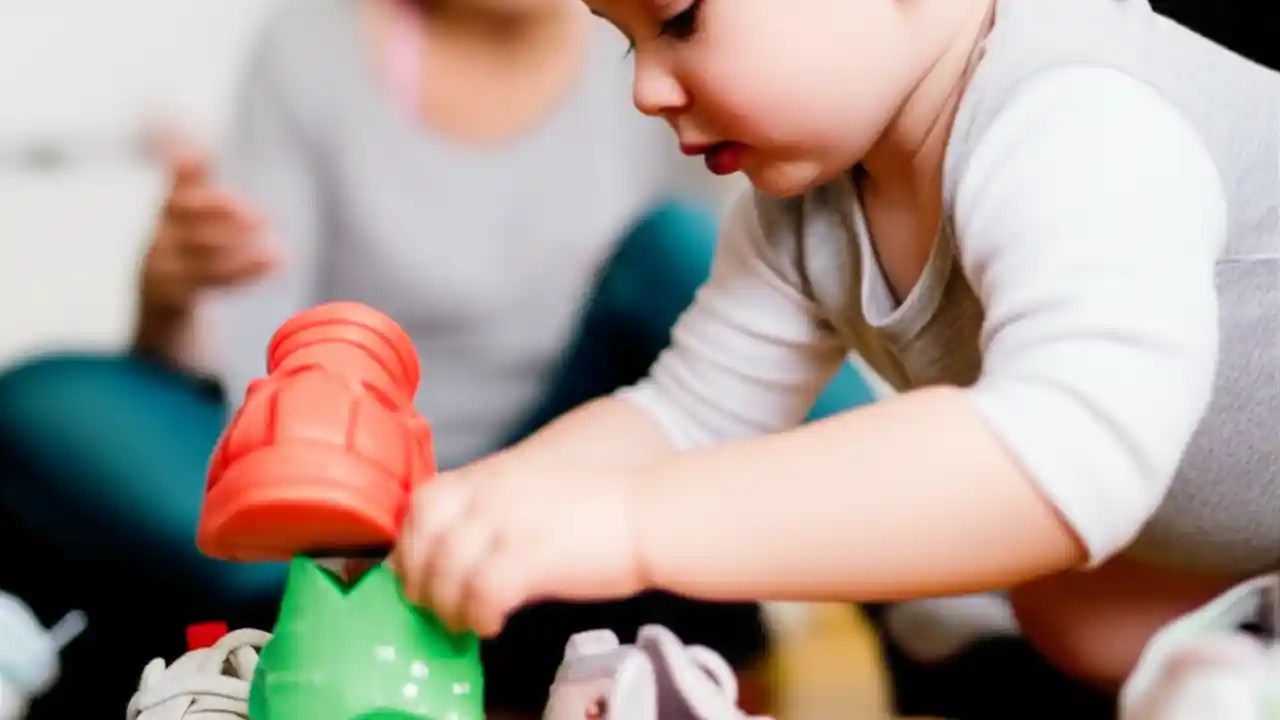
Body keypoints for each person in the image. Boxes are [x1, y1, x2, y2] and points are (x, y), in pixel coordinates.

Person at [387, 0, 1280, 717]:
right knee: (1063, 612)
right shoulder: (807, 208)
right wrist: (481, 514)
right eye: (627, 44)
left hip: (1213, 526)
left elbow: (1069, 449)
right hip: (1194, 560)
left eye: (682, 20)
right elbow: (688, 415)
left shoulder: (1077, 114)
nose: (647, 90)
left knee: (1039, 548)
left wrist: (632, 524)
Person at [0, 0, 875, 715]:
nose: (654, 80)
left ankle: (937, 601)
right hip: (348, 507)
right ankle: (351, 609)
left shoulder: (661, 52)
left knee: (680, 248)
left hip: (574, 493)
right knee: (47, 402)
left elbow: (742, 339)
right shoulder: (314, 45)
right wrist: (174, 300)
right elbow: (243, 380)